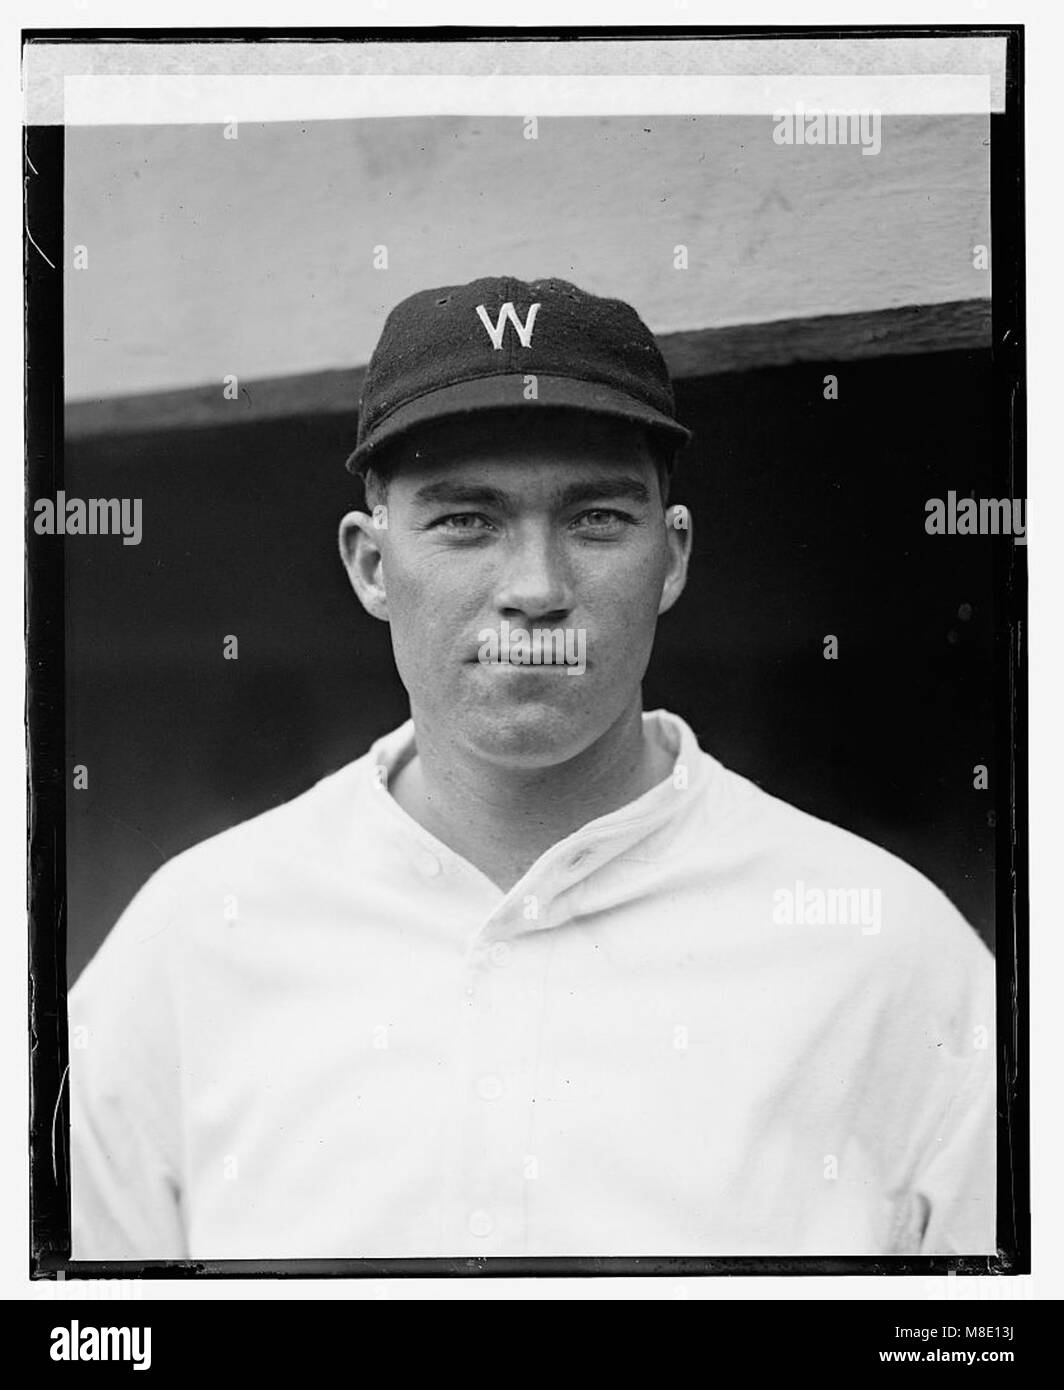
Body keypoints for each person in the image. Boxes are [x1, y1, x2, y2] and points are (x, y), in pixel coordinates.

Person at [69, 276, 996, 1260]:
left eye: (595, 519)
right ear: (371, 565)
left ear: (671, 557)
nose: (536, 590)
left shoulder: (883, 951)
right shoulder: (195, 939)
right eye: (466, 521)